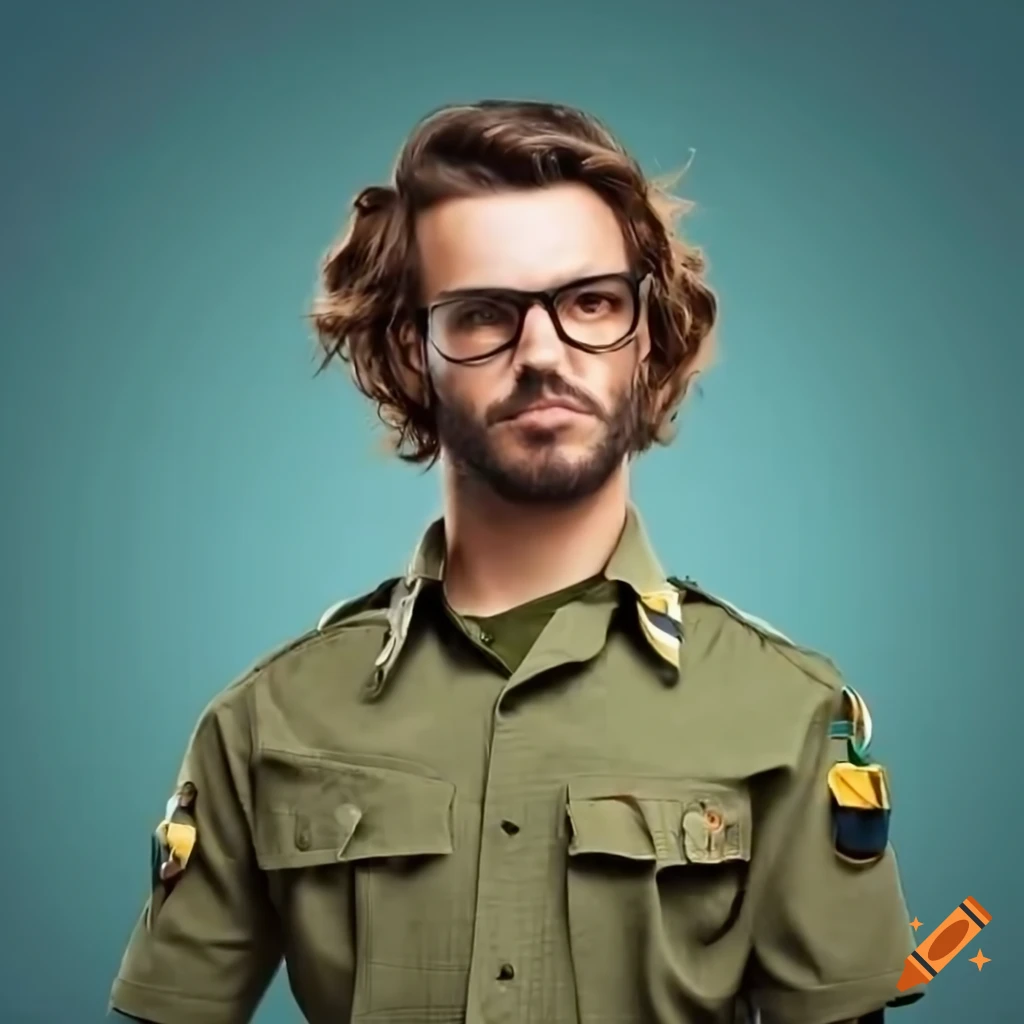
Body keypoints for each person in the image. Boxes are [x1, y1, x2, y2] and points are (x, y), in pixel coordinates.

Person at [109, 99, 923, 1024]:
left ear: (647, 334)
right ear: (412, 353)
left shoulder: (790, 714)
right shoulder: (266, 721)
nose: (541, 353)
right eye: (482, 314)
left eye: (591, 303)